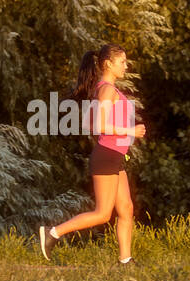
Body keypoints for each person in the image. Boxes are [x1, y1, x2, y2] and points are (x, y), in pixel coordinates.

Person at [40, 44, 146, 264]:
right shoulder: (106, 89)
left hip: (115, 156)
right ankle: (53, 233)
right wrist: (130, 131)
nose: (126, 66)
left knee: (126, 208)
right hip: (107, 156)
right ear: (108, 64)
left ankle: (126, 261)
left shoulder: (106, 88)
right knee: (103, 213)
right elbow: (98, 125)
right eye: (122, 62)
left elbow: (89, 123)